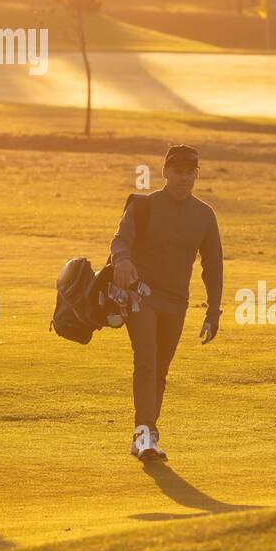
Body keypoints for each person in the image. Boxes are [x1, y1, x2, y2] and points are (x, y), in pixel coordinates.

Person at [109, 144, 222, 462]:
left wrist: (213, 312)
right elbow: (120, 239)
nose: (184, 179)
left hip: (176, 302)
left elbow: (213, 266)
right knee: (146, 362)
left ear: (197, 175)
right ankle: (144, 434)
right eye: (177, 172)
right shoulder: (144, 205)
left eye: (190, 173)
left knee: (159, 370)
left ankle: (146, 435)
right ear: (164, 173)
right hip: (140, 295)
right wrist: (122, 261)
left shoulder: (204, 215)